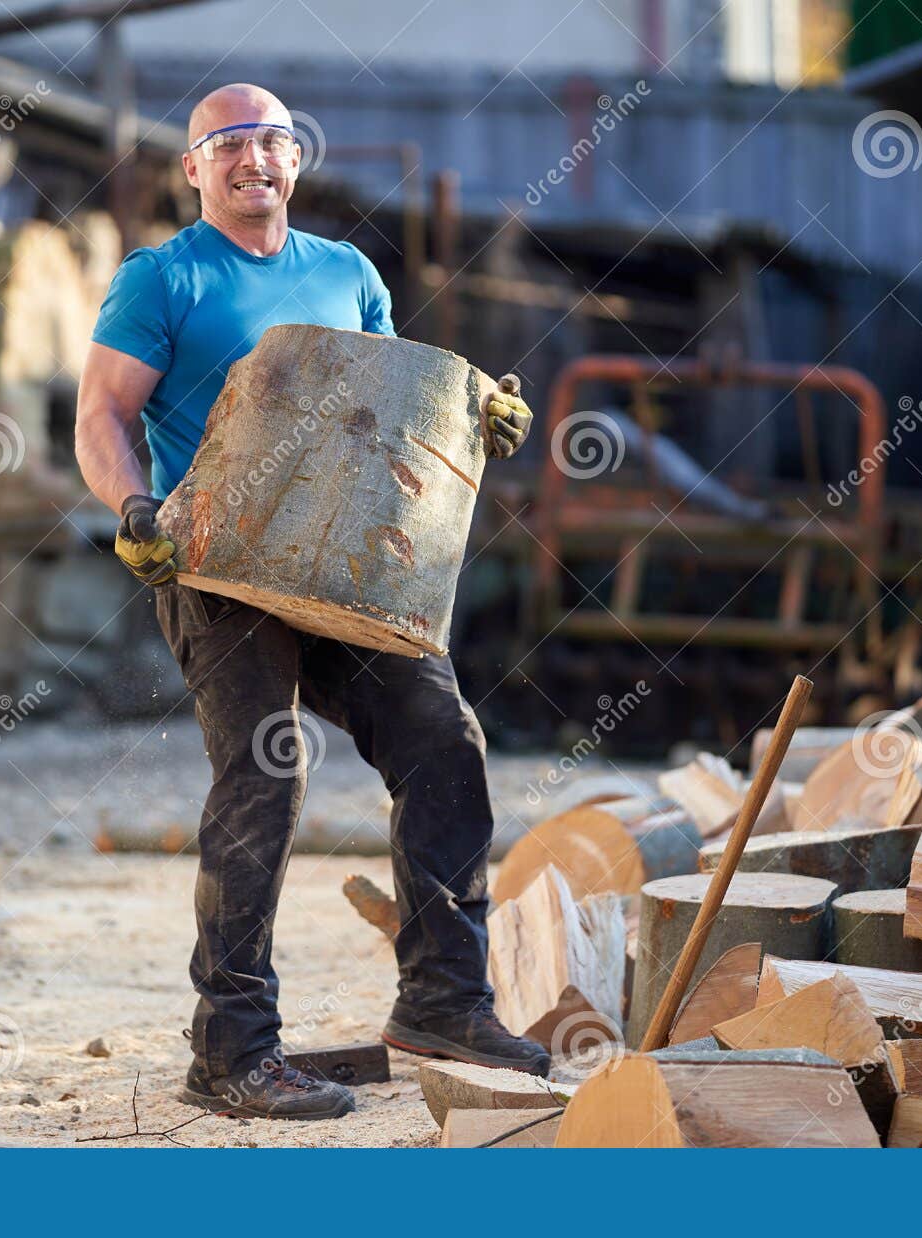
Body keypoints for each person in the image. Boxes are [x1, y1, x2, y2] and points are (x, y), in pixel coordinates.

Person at [74, 83, 544, 1121]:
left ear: (295, 161)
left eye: (271, 141)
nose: (253, 159)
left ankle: (443, 1004)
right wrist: (136, 507)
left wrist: (474, 414)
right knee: (262, 777)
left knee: (443, 741)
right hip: (217, 563)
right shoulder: (162, 279)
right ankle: (231, 1050)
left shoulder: (347, 271)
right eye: (227, 143)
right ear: (193, 168)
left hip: (345, 566)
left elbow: (392, 408)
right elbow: (101, 411)